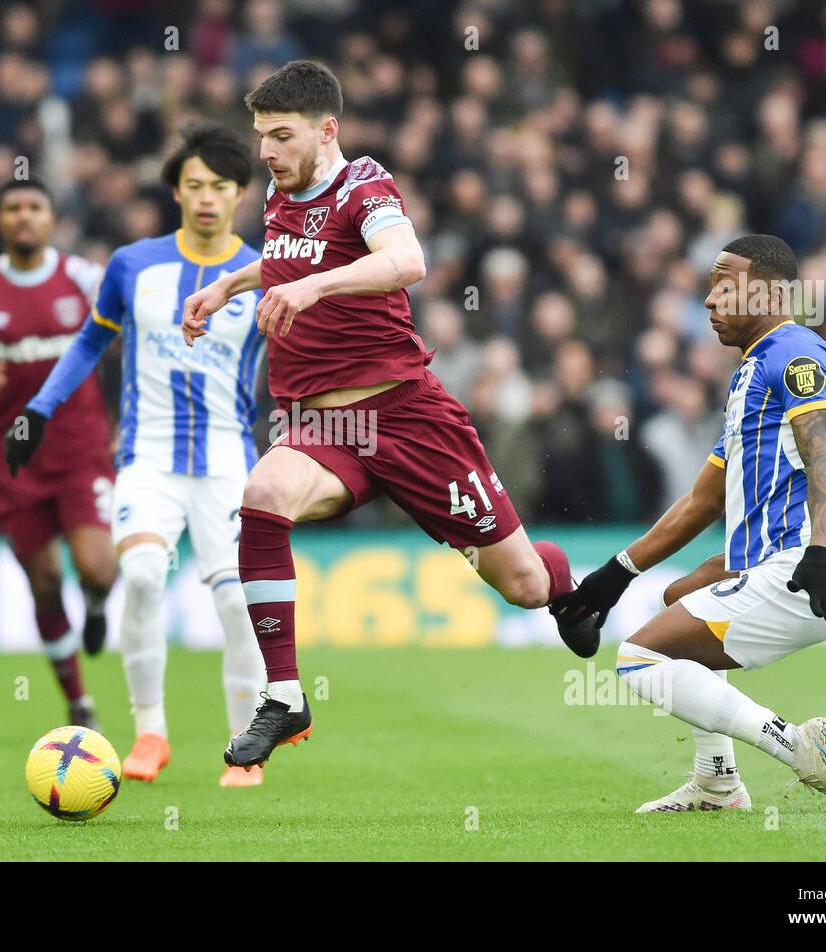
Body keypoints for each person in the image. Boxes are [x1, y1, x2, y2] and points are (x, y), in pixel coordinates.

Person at [179, 61, 589, 772]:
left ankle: (573, 592)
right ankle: (284, 697)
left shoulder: (363, 184)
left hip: (407, 418)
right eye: (261, 137)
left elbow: (406, 260)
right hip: (325, 430)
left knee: (521, 584)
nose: (266, 152)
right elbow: (284, 260)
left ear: (326, 131)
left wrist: (313, 288)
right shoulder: (280, 195)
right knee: (263, 494)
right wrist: (228, 284)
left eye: (281, 136)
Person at [551, 235, 826, 813]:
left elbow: (822, 455)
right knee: (680, 595)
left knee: (640, 658)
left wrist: (819, 554)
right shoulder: (751, 373)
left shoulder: (795, 351)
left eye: (725, 285)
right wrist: (616, 574)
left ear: (770, 292)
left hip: (806, 563)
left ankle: (798, 745)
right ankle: (717, 781)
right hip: (782, 558)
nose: (709, 300)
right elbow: (702, 501)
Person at [6, 124, 270, 787]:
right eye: (194, 186)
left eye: (220, 187)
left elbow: (300, 361)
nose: (207, 199)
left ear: (240, 193)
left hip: (226, 464)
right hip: (146, 457)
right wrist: (39, 408)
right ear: (176, 192)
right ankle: (150, 731)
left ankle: (246, 744)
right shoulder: (134, 265)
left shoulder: (268, 275)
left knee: (238, 604)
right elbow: (91, 344)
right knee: (146, 577)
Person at [0, 177, 117, 732]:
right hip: (16, 456)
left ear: (51, 218)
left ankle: (95, 606)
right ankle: (77, 701)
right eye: (13, 208)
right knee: (43, 581)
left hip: (82, 448)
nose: (24, 217)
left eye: (34, 207)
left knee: (97, 567)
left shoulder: (84, 279)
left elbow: (121, 343)